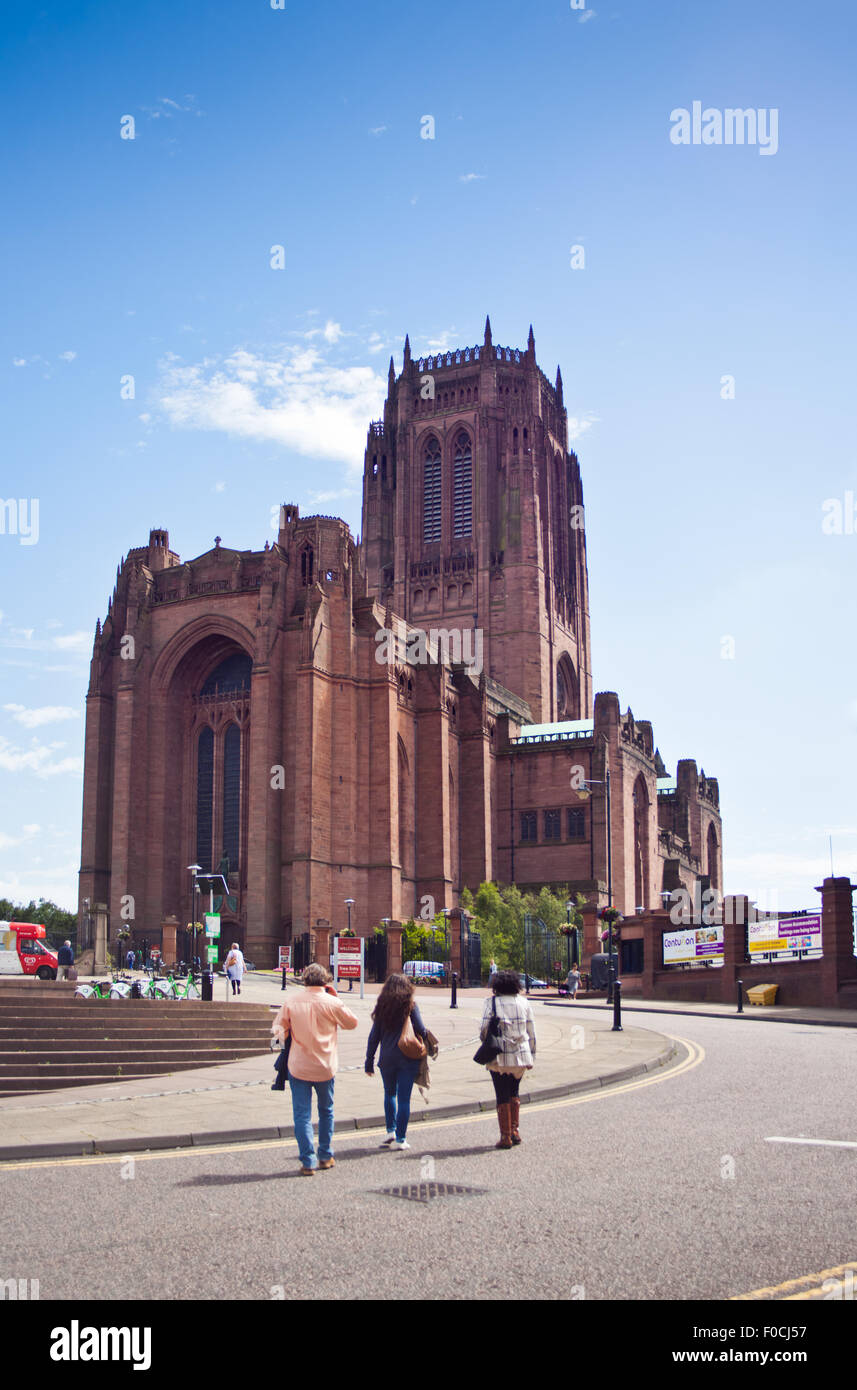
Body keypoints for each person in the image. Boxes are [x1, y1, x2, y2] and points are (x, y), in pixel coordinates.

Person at [271, 963, 358, 1175]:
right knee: (326, 1111)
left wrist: (281, 1047)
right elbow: (352, 1023)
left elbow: (277, 1033)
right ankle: (326, 1156)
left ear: (305, 980)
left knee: (302, 1114)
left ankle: (308, 1161)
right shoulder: (332, 1002)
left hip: (299, 1066)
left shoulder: (291, 1002)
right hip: (325, 1066)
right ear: (325, 980)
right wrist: (337, 999)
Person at [364, 973, 428, 1150]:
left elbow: (373, 1037)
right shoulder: (411, 1006)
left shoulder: (382, 1006)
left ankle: (390, 1131)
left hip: (387, 1058)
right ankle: (401, 1139)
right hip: (407, 1057)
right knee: (404, 1099)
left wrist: (369, 1061)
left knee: (389, 1093)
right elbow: (421, 1029)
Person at [479, 969, 536, 1149]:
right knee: (514, 1091)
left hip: (499, 1055)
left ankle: (505, 1137)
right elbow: (531, 1032)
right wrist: (532, 1055)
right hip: (520, 1055)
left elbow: (484, 1030)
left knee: (501, 1093)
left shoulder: (491, 1002)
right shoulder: (524, 1002)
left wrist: (486, 1040)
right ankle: (514, 1131)